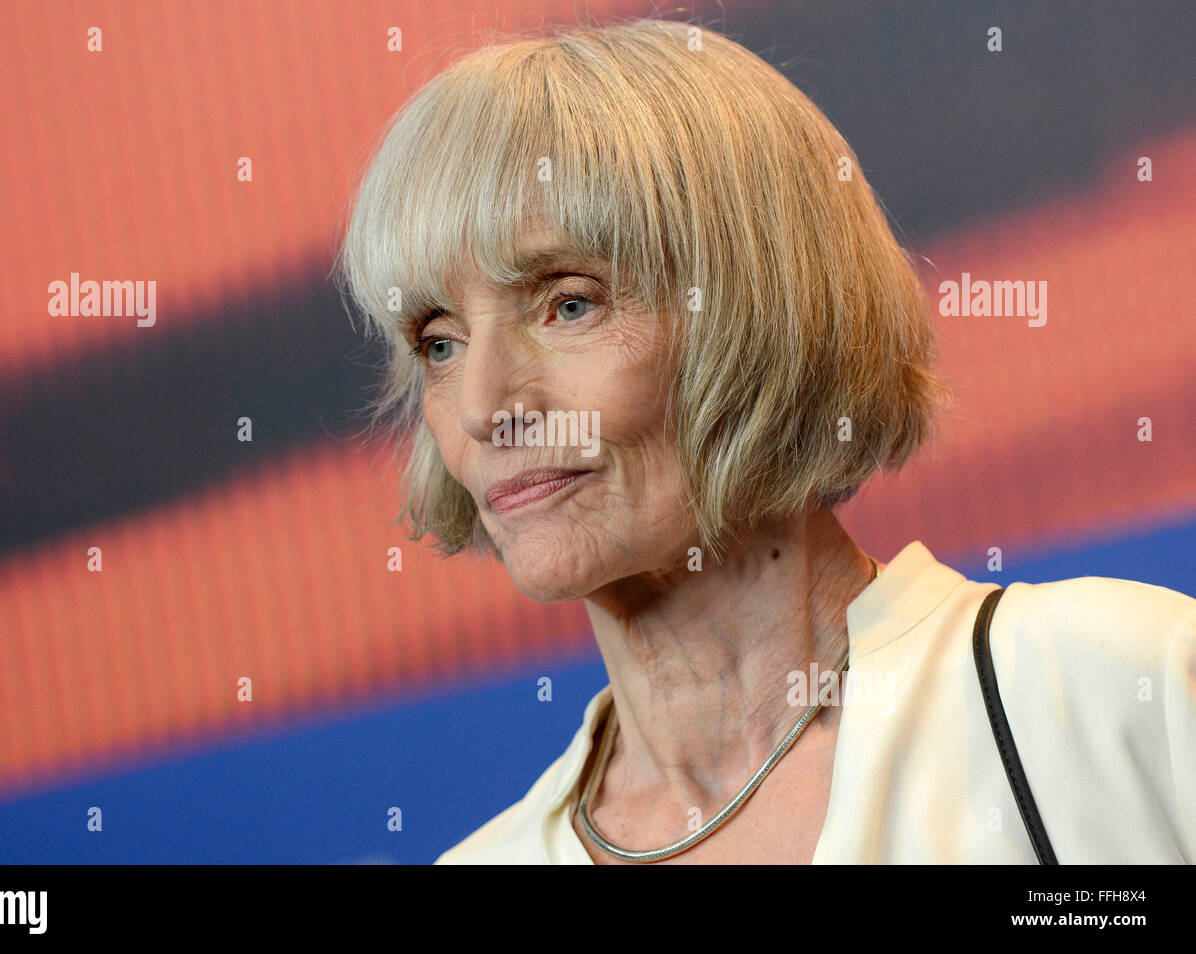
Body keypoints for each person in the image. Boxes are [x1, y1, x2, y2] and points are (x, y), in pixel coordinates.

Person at [335, 18, 1196, 863]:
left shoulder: (1115, 689)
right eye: (439, 342)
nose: (484, 406)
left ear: (763, 311)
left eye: (569, 304)